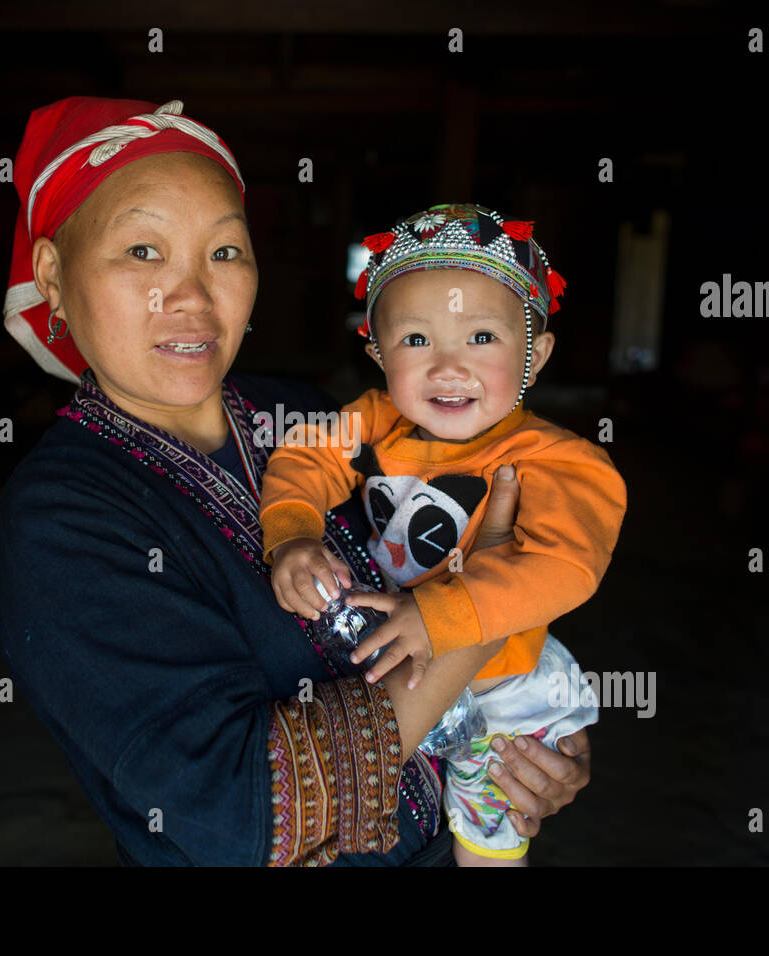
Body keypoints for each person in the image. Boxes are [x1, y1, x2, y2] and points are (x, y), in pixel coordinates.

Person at [0, 96, 592, 866]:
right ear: (53, 274)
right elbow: (242, 809)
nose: (191, 297)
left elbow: (458, 564)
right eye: (142, 251)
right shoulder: (63, 516)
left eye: (224, 252)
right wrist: (489, 610)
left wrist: (531, 744)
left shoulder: (307, 416)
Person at [259, 203, 628, 865]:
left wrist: (444, 615)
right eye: (416, 340)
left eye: (482, 338)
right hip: (400, 678)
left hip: (503, 687)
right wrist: (291, 533)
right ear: (376, 350)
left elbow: (566, 565)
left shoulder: (559, 459)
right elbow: (304, 458)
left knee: (489, 832)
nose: (448, 366)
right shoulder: (374, 419)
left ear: (535, 355)